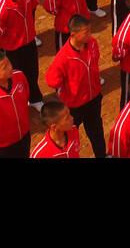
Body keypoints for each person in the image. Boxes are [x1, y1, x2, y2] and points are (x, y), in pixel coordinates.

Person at [45, 13, 106, 158]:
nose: (89, 35)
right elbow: (52, 80)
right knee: (70, 137)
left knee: (96, 131)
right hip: (74, 106)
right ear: (73, 34)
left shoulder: (92, 44)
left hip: (93, 99)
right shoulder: (63, 57)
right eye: (86, 32)